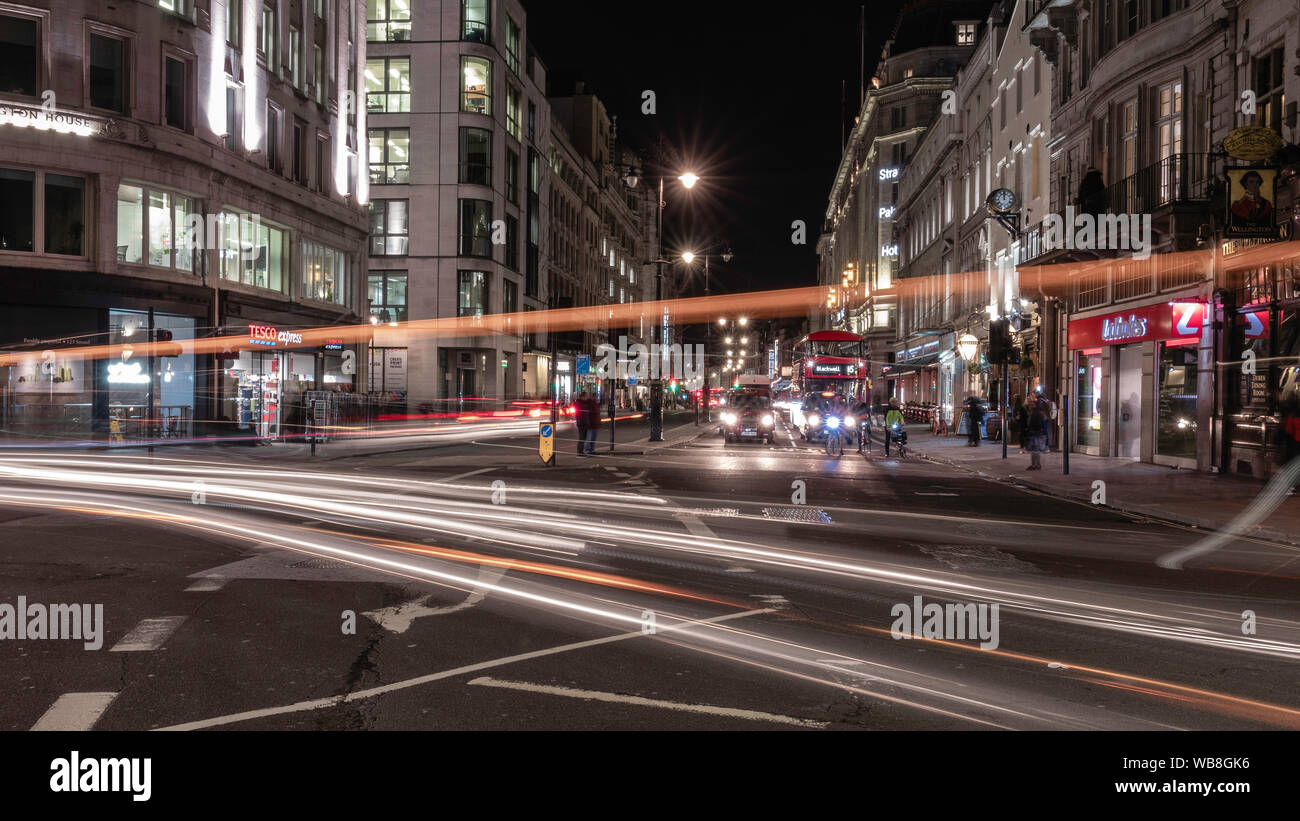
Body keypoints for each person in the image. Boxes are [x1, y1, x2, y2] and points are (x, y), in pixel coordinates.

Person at [1025, 396, 1050, 470]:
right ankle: (1037, 464)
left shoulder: (1036, 413)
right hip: (1039, 434)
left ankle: (1034, 465)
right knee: (1036, 451)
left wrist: (1030, 431)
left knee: (1034, 451)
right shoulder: (1042, 413)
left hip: (1035, 434)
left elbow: (1034, 424)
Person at [574, 390, 591, 455]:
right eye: (586, 396)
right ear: (582, 397)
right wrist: (579, 422)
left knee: (584, 437)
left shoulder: (585, 403)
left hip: (585, 422)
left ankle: (581, 451)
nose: (587, 397)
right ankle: (579, 451)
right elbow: (578, 414)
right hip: (581, 422)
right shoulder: (579, 403)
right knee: (582, 437)